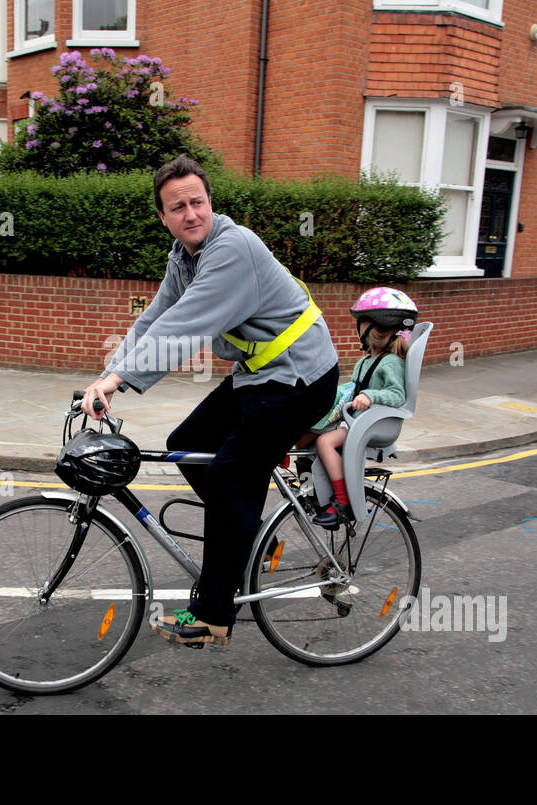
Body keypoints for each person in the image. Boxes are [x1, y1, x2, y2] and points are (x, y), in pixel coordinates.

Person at [80, 154, 339, 648]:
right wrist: (106, 375)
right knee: (188, 442)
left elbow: (185, 326)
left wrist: (120, 382)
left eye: (197, 202)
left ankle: (214, 617)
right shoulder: (184, 257)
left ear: (211, 204)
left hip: (301, 377)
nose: (190, 213)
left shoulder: (231, 248)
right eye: (177, 207)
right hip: (263, 376)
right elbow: (156, 319)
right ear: (164, 217)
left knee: (231, 478)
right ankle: (253, 539)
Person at [299, 287, 417, 528]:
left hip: (369, 423)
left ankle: (341, 500)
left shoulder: (391, 362)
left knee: (324, 442)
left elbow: (397, 395)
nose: (358, 327)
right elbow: (352, 389)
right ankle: (310, 489)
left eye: (362, 322)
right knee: (304, 436)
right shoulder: (366, 361)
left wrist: (369, 396)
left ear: (375, 327)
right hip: (355, 419)